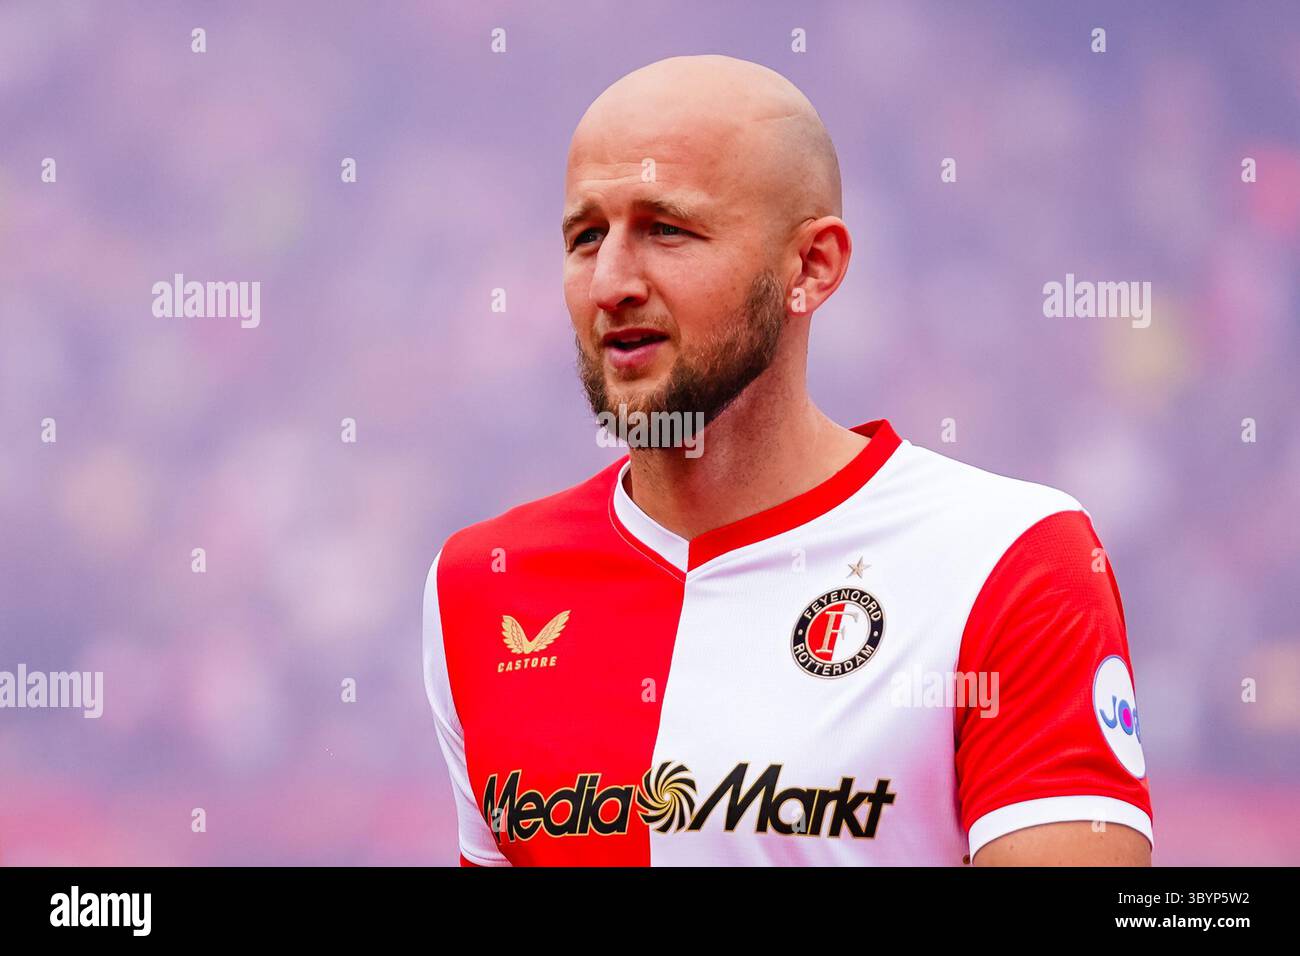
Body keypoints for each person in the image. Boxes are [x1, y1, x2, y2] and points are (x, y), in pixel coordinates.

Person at [423, 54, 1152, 866]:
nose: (611, 283)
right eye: (586, 237)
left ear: (811, 267)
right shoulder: (478, 584)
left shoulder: (1010, 557)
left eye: (667, 230)